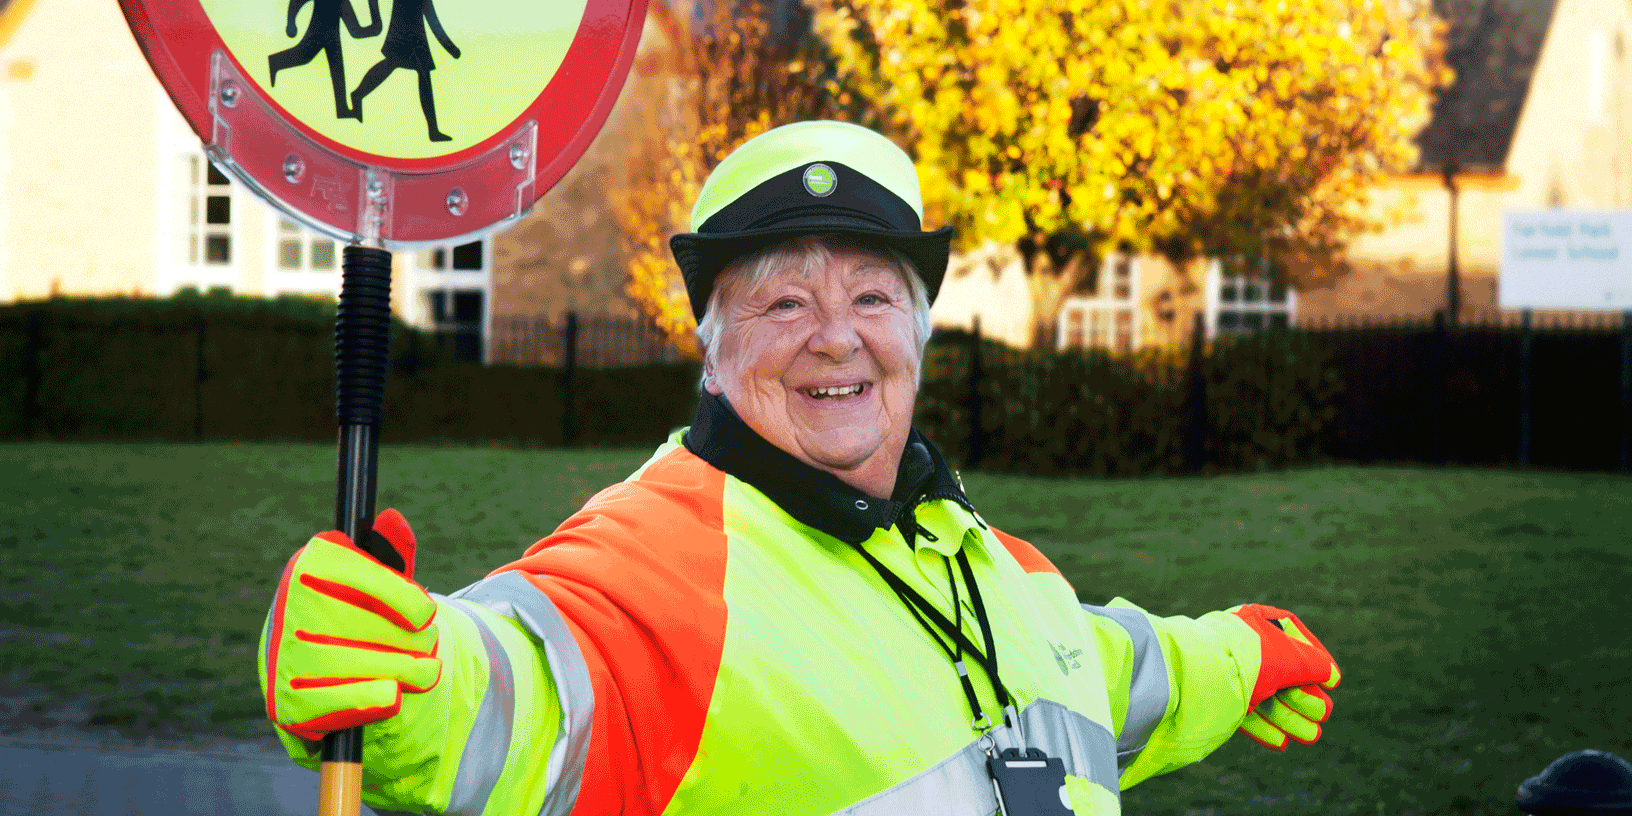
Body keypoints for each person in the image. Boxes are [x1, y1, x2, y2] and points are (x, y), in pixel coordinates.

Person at [259, 120, 1343, 816]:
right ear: (714, 353)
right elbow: (530, 684)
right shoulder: (661, 560)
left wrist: (1242, 658)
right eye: (785, 302)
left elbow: (1106, 674)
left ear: (918, 335)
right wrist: (408, 683)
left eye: (873, 297)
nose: (837, 337)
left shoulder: (987, 562)